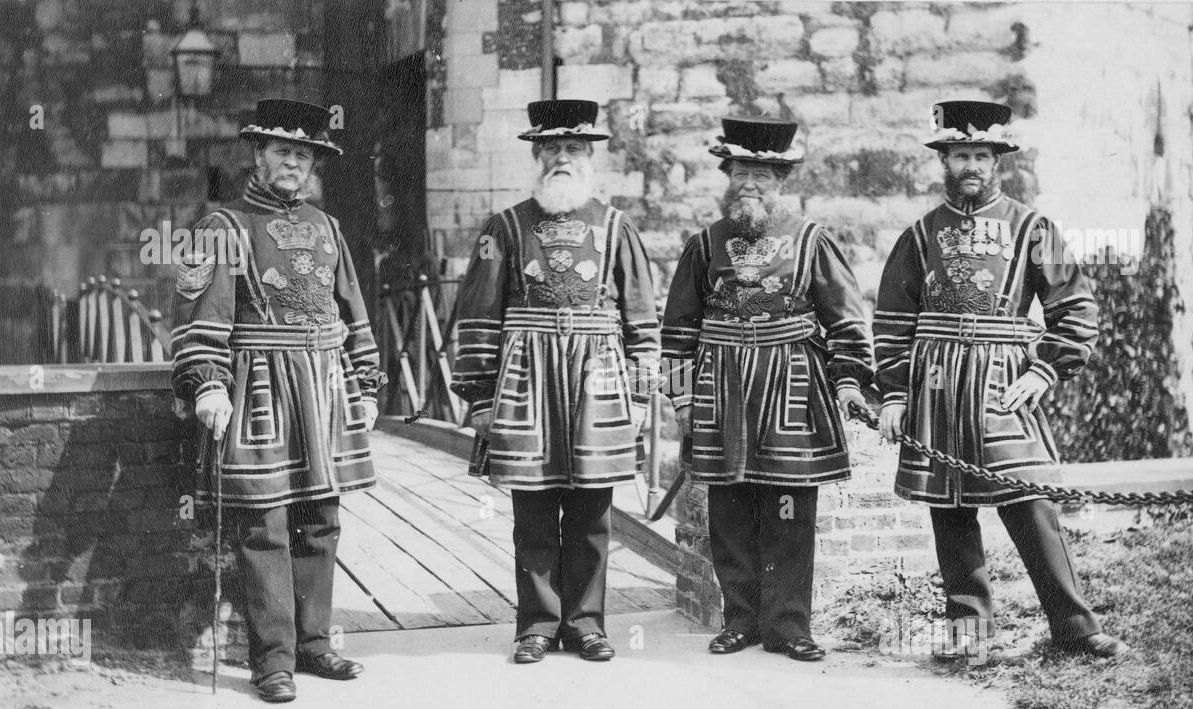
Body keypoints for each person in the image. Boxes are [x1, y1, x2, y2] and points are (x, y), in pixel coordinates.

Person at [873, 100, 1128, 659]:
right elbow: (892, 322)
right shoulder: (918, 236)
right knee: (952, 507)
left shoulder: (1032, 227)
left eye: (981, 156)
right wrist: (893, 395)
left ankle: (1076, 628)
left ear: (998, 162)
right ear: (944, 160)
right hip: (936, 384)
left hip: (1003, 380)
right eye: (960, 154)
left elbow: (1077, 308)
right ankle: (969, 634)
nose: (970, 165)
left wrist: (1044, 370)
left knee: (1028, 498)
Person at [171, 99, 384, 702]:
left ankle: (316, 645)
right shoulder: (223, 227)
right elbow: (200, 315)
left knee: (322, 519)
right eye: (283, 151)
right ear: (258, 156)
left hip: (322, 385)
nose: (294, 163)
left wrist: (364, 381)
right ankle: (273, 662)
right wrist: (209, 383)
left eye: (305, 154)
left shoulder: (325, 226)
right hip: (258, 388)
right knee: (264, 524)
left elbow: (352, 309)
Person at [450, 99, 659, 664]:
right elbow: (476, 314)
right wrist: (478, 396)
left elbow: (641, 318)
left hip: (599, 380)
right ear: (537, 156)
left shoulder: (617, 228)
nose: (562, 158)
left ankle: (587, 624)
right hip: (525, 380)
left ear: (589, 157)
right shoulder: (505, 227)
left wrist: (640, 394)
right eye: (552, 150)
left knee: (593, 508)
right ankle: (537, 624)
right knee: (534, 507)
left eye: (573, 149)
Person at [661, 116, 875, 662]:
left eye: (761, 173)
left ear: (780, 179)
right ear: (727, 176)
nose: (749, 183)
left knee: (788, 508)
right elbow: (679, 332)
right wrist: (684, 401)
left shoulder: (811, 240)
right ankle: (741, 620)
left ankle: (788, 625)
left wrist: (849, 382)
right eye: (740, 172)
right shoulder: (705, 244)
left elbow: (848, 323)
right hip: (721, 388)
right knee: (729, 509)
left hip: (792, 384)